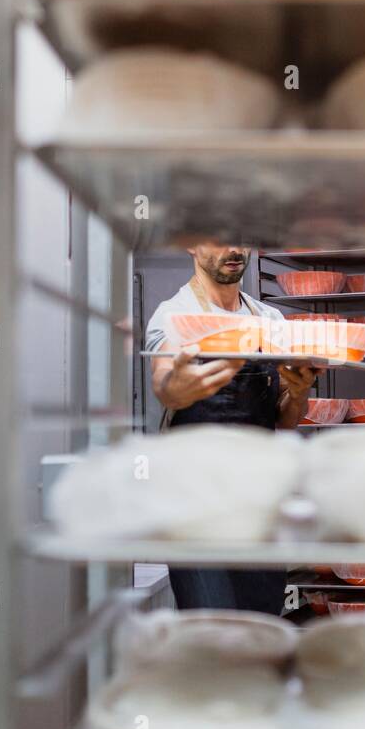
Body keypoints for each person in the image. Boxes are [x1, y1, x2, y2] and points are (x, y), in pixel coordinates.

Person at [144, 242, 316, 616]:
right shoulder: (175, 317)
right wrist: (179, 385)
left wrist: (300, 393)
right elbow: (166, 385)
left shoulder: (268, 320)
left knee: (262, 622)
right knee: (212, 624)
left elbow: (285, 420)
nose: (235, 248)